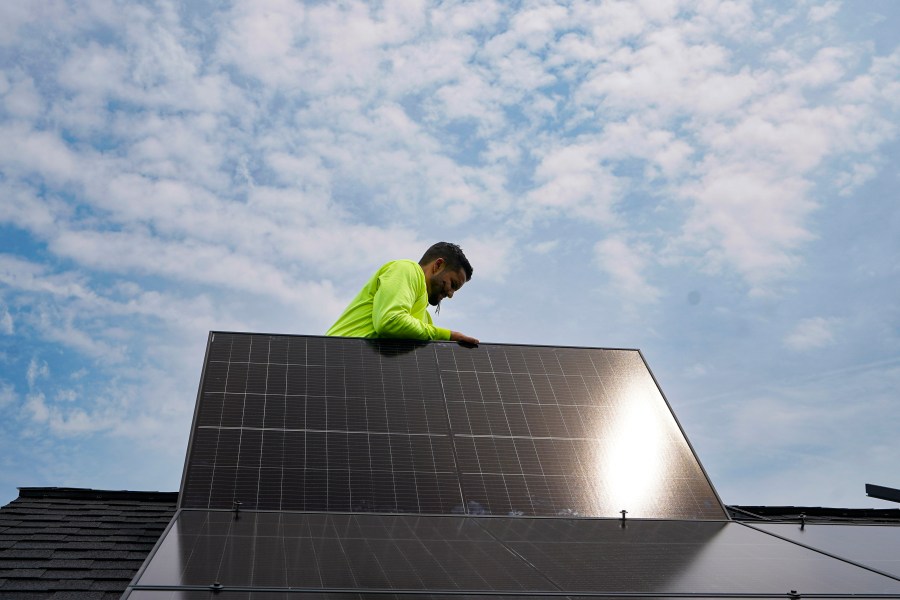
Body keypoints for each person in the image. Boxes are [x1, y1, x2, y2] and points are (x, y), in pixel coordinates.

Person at [326, 242, 479, 344]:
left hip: (361, 372)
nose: (450, 294)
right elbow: (390, 321)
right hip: (336, 359)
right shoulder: (406, 269)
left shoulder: (425, 320)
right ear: (438, 265)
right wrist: (448, 336)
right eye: (452, 284)